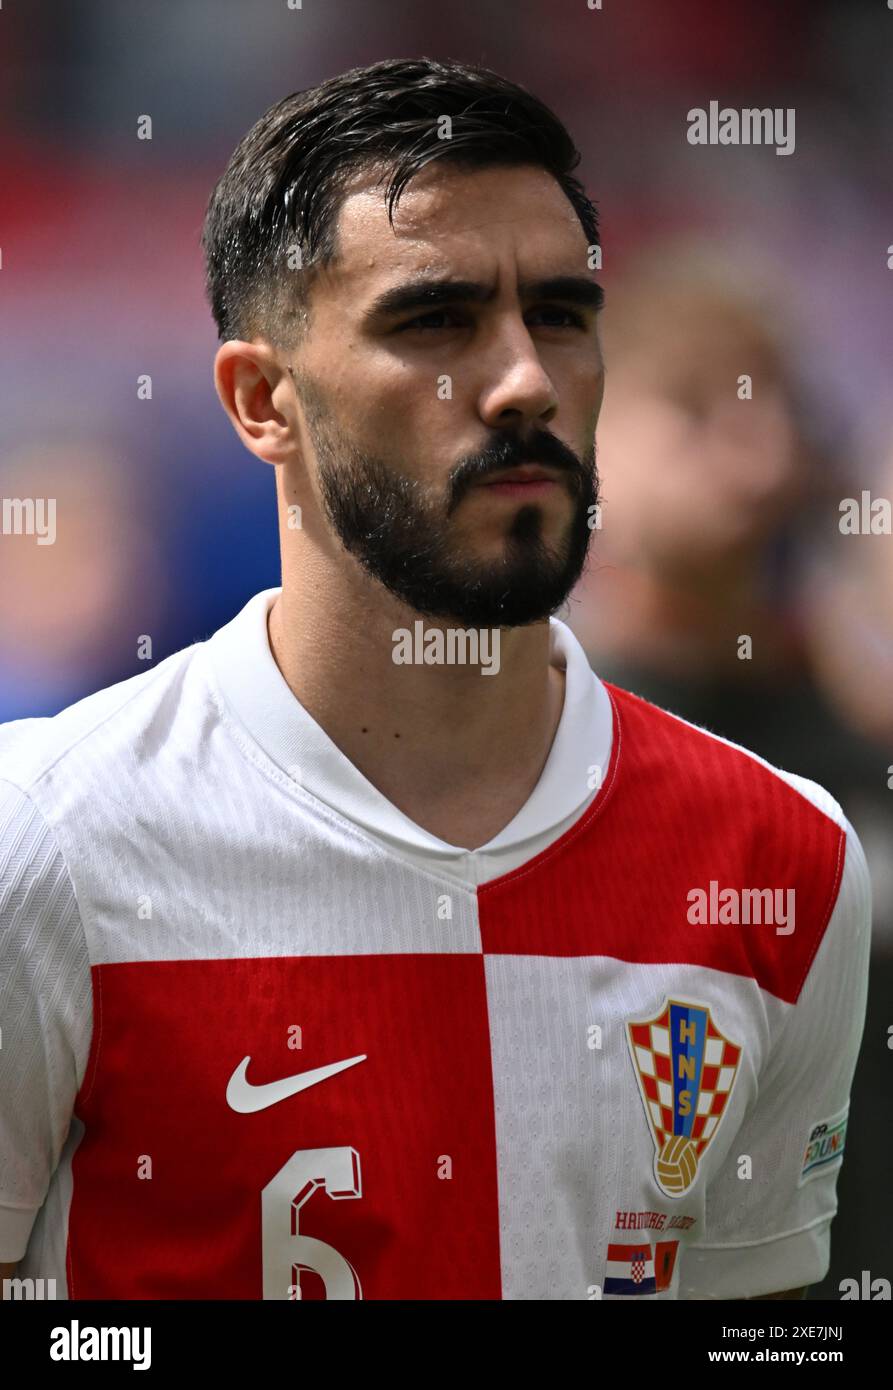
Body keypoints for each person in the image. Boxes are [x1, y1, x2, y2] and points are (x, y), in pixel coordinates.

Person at [0, 57, 870, 1302]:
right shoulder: (44, 844)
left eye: (561, 313)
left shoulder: (782, 861)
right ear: (263, 399)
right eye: (434, 320)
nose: (523, 380)